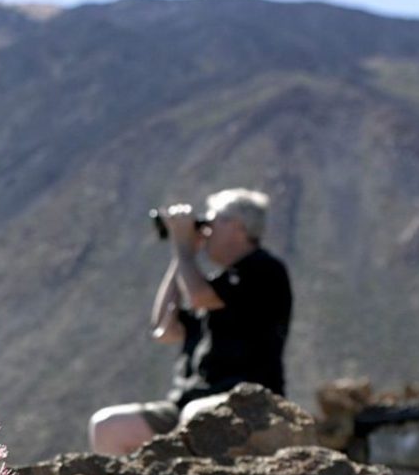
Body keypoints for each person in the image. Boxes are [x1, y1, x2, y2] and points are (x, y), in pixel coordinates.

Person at [89, 188, 292, 456]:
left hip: (244, 400)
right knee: (108, 426)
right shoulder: (213, 280)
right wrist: (180, 255)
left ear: (238, 228)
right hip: (189, 400)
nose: (205, 229)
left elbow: (200, 298)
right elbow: (164, 329)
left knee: (197, 418)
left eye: (213, 220)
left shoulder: (263, 270)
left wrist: (184, 250)